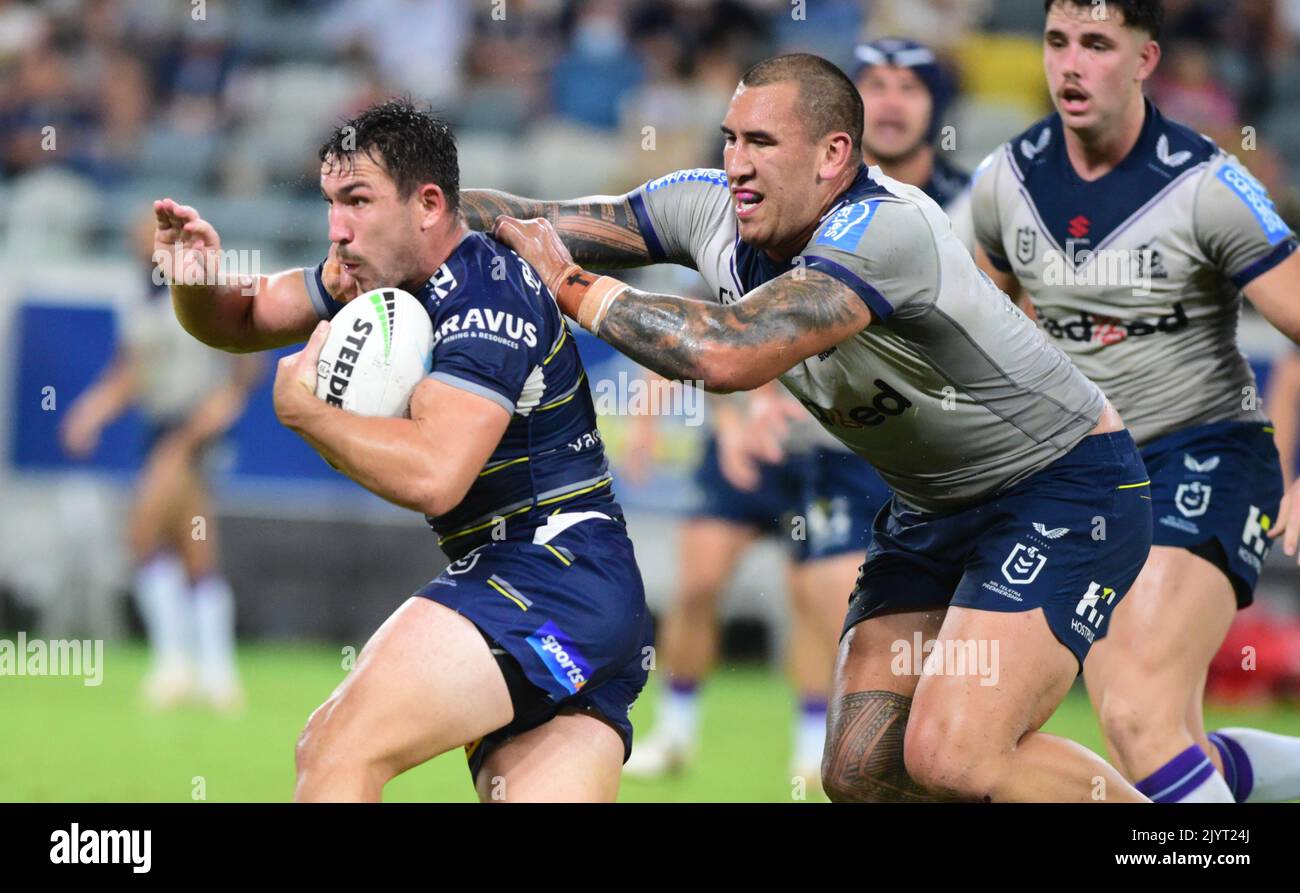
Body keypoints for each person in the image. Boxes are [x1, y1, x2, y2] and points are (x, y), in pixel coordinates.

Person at [470, 53, 1155, 802]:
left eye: (761, 143)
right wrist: (416, 215)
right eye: (730, 138)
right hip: (930, 508)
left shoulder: (886, 229)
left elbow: (729, 352)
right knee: (862, 770)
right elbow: (533, 220)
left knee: (955, 755)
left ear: (834, 155)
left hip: (1062, 485)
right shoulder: (708, 209)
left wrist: (572, 287)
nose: (735, 163)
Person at [156, 99, 651, 802]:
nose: (337, 228)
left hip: (548, 571)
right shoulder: (369, 276)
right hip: (583, 595)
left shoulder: (487, 292)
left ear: (426, 204)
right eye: (331, 201)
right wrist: (193, 280)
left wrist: (308, 416)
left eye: (357, 200)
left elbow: (435, 474)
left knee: (336, 748)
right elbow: (239, 320)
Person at [970, 0, 1300, 803]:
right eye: (1056, 42)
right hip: (1094, 479)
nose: (1070, 65)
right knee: (1166, 744)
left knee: (1134, 716)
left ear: (1146, 59)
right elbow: (974, 337)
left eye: (1096, 44)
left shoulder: (1208, 185)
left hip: (1207, 454)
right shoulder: (1003, 183)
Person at [61, 212, 260, 712]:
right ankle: (214, 672)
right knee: (191, 550)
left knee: (142, 535)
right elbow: (129, 373)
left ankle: (177, 665)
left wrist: (214, 416)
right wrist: (91, 412)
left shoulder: (198, 290)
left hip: (193, 430)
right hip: (159, 429)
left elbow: (244, 364)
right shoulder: (138, 302)